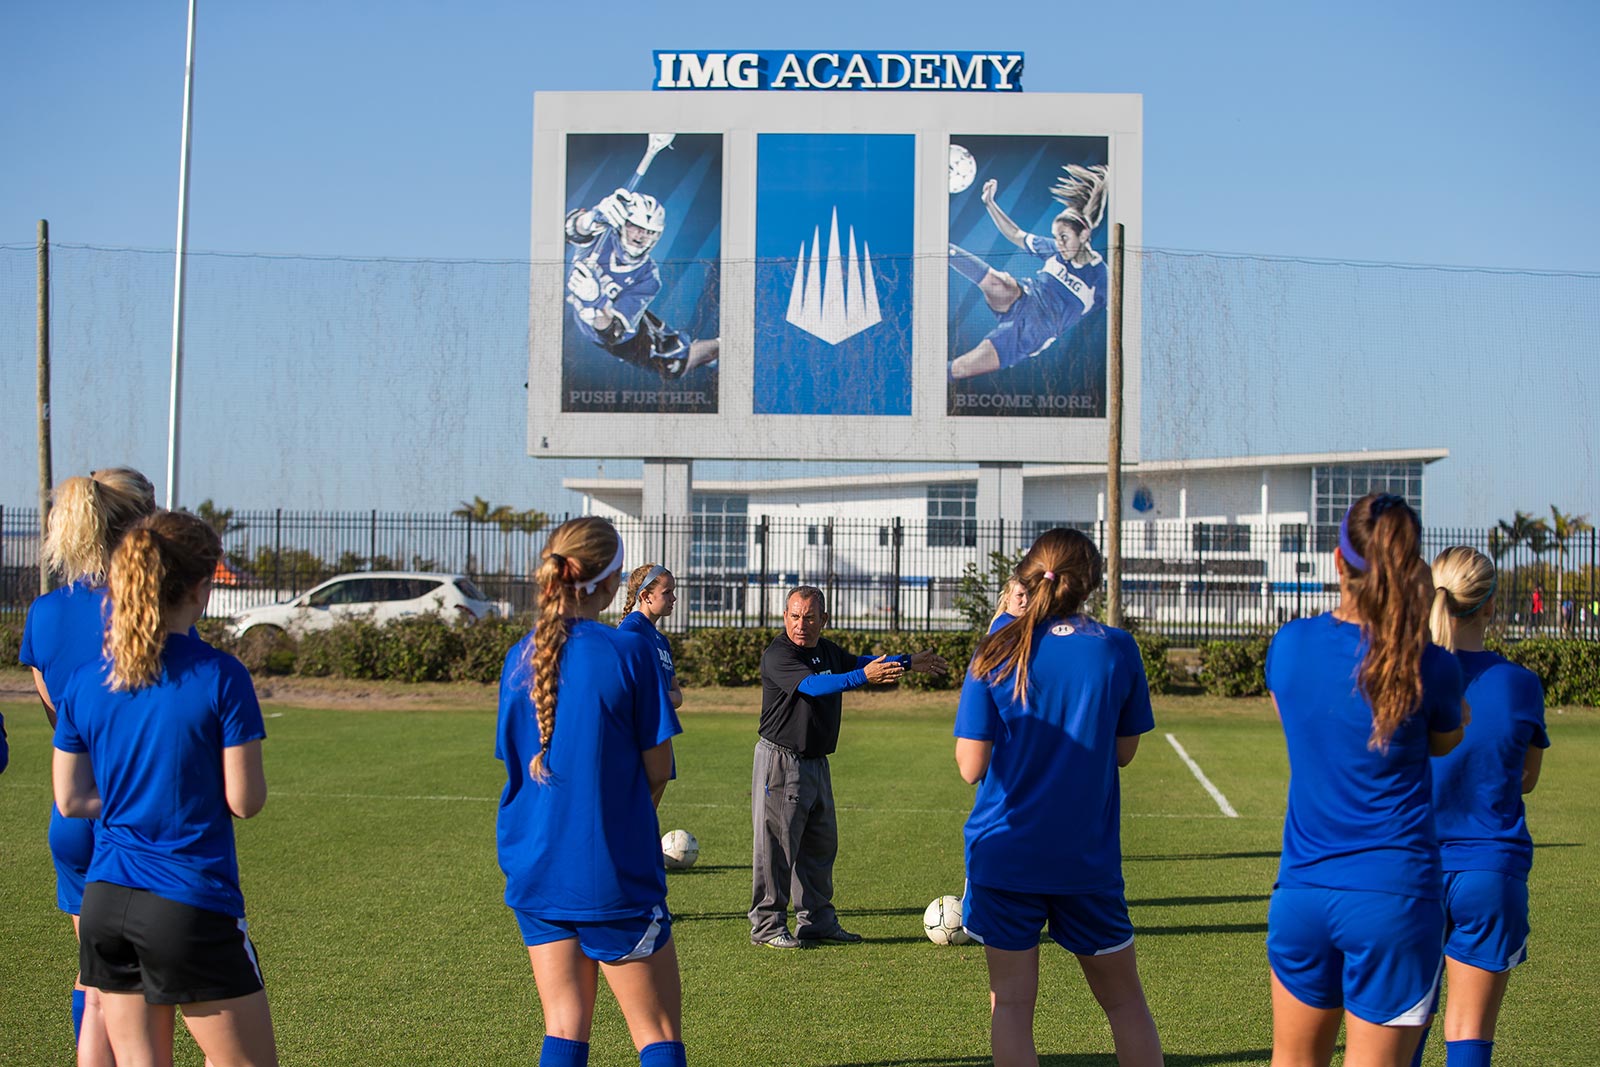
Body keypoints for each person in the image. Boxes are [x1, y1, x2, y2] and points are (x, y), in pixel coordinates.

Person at [52, 510, 275, 1067]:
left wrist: (136, 799)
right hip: (186, 901)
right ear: (200, 588)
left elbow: (71, 799)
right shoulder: (221, 675)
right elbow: (244, 801)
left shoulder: (88, 679)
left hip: (104, 902)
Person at [1264, 493, 1467, 1067]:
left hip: (1302, 896)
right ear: (1412, 568)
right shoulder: (1430, 664)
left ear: (1337, 561)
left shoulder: (1291, 645)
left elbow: (1297, 715)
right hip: (1393, 898)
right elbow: (1446, 741)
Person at [954, 529, 1163, 1067]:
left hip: (1006, 855)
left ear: (1026, 578)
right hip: (1084, 858)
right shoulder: (1116, 648)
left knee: (1012, 1006)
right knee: (1124, 1003)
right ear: (1090, 583)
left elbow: (969, 766)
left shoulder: (995, 647)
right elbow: (1124, 753)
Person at [495, 517, 687, 1067]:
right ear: (607, 584)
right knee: (656, 1033)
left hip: (535, 871)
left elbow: (515, 767)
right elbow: (658, 769)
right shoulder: (629, 654)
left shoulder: (518, 658)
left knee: (563, 1027)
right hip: (612, 876)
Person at [19, 467, 157, 1063]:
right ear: (141, 526)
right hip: (141, 817)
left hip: (74, 815)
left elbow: (62, 719)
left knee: (97, 983)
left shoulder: (44, 614)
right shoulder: (154, 610)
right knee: (160, 991)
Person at [750, 586, 948, 949]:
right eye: (794, 616)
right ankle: (767, 927)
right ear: (785, 617)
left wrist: (907, 661)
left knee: (820, 846)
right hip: (781, 761)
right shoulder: (779, 654)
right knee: (776, 849)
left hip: (816, 762)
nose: (801, 624)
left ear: (824, 620)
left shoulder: (825, 650)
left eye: (810, 617)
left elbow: (857, 663)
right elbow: (813, 685)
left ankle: (818, 922)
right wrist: (863, 678)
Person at [1421, 546, 1549, 1067]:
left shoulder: (1406, 677)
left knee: (1398, 1031)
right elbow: (1525, 779)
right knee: (1470, 1033)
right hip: (1491, 872)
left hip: (1412, 870)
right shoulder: (1520, 685)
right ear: (1491, 606)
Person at [947, 164, 1108, 380]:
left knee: (961, 368)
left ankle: (924, 377)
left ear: (1084, 235)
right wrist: (989, 203)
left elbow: (1122, 314)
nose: (1059, 244)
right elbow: (1015, 233)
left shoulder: (1101, 277)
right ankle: (941, 247)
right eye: (1056, 237)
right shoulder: (1055, 250)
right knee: (999, 282)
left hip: (1032, 331)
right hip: (1024, 297)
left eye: (1064, 237)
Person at [566, 180, 719, 381]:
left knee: (672, 366)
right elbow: (573, 230)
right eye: (635, 226)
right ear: (622, 224)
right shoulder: (602, 237)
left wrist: (595, 301)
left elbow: (612, 335)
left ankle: (721, 347)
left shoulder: (648, 276)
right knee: (671, 342)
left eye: (650, 231)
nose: (641, 236)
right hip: (624, 314)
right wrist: (592, 217)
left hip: (627, 335)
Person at [618, 563, 683, 709]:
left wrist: (658, 695)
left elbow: (677, 696)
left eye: (673, 592)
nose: (673, 598)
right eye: (667, 592)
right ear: (646, 596)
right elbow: (621, 683)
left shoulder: (662, 641)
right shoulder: (631, 629)